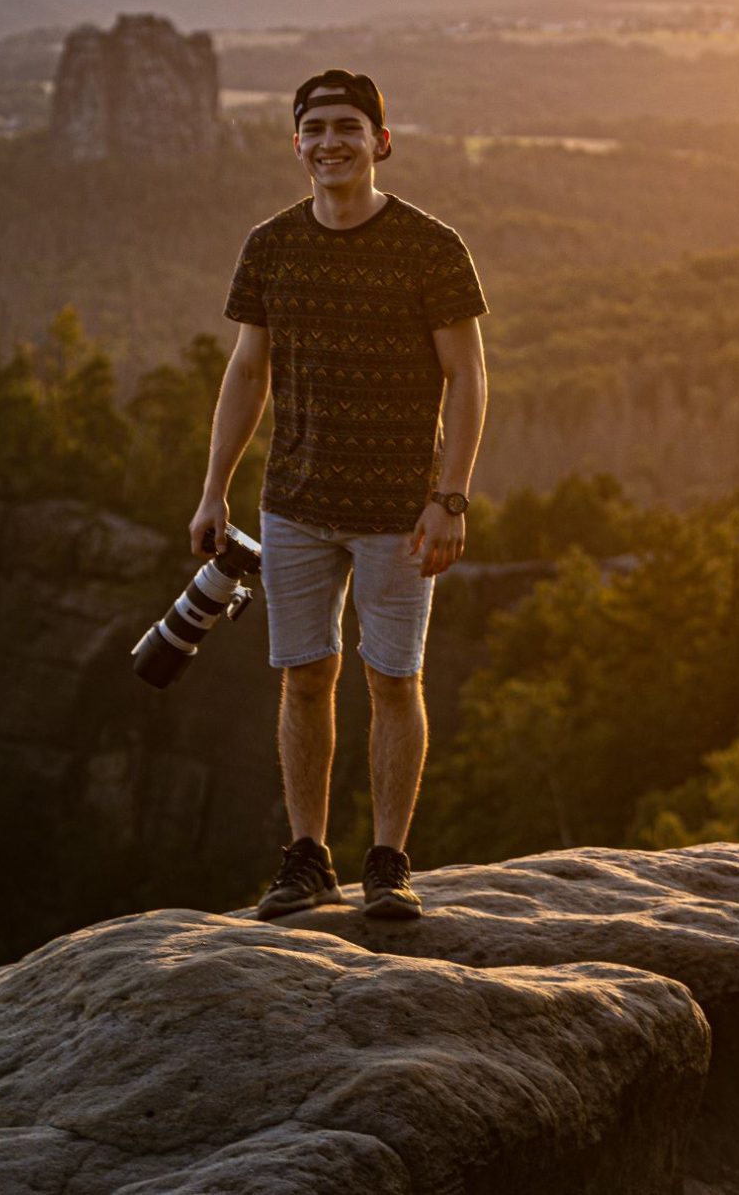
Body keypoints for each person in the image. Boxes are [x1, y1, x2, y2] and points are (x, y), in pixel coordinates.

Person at [189, 69, 488, 921]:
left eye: (348, 127)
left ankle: (389, 863)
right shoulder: (271, 245)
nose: (331, 142)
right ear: (296, 144)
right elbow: (248, 371)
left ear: (380, 141)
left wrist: (450, 497)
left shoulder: (431, 247)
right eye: (314, 128)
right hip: (294, 504)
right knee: (304, 679)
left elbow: (469, 376)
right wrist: (214, 491)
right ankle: (307, 858)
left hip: (401, 512)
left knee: (393, 680)